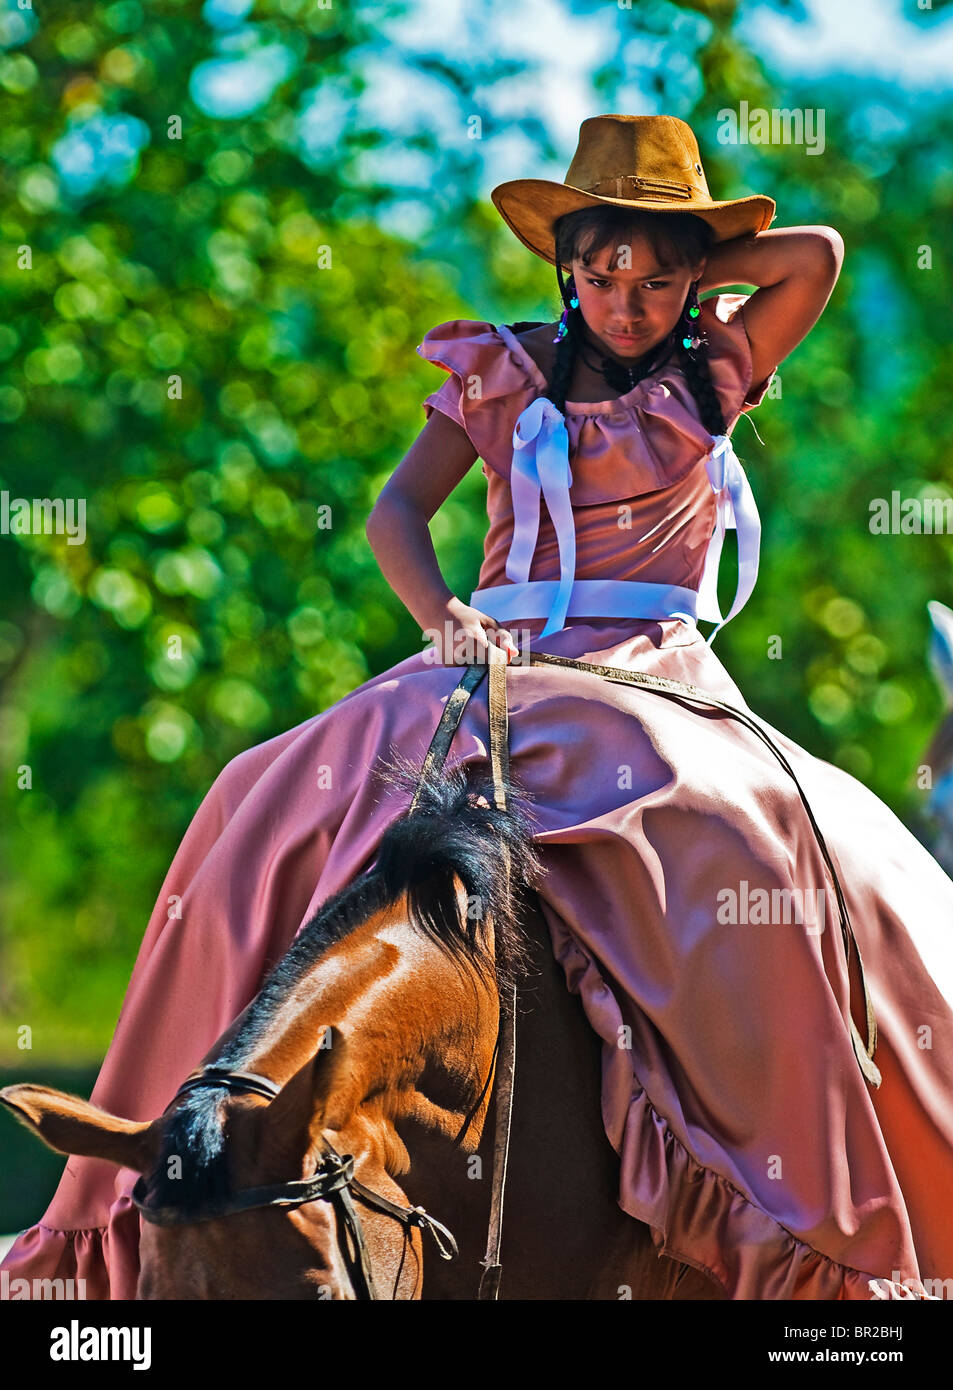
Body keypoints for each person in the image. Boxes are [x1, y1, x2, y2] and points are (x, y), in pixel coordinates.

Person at [3, 113, 953, 1301]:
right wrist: (442, 613)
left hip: (648, 671)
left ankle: (805, 1215)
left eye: (657, 282)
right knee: (260, 786)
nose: (628, 304)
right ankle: (159, 1170)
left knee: (742, 826)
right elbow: (396, 516)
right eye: (603, 276)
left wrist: (689, 263)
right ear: (564, 268)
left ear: (692, 280)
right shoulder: (497, 371)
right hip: (488, 653)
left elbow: (811, 255)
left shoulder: (714, 368)